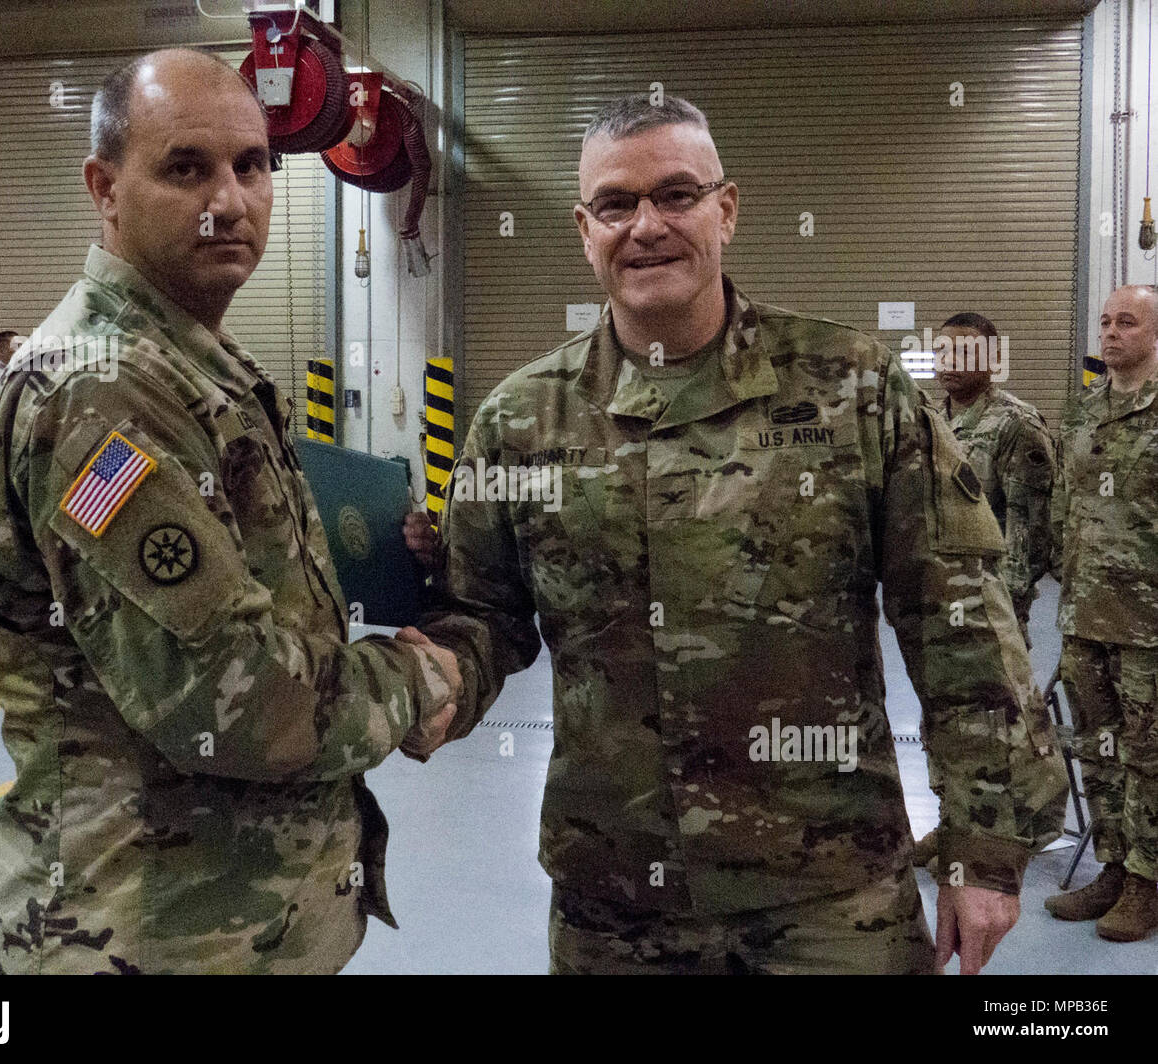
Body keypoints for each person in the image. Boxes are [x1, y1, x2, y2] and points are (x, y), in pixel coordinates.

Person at [407, 94, 1066, 974]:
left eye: (676, 194)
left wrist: (984, 847)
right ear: (583, 228)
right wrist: (433, 680)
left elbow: (955, 620)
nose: (646, 226)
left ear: (727, 209)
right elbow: (486, 617)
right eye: (616, 204)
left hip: (832, 897)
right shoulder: (519, 420)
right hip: (615, 905)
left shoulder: (852, 389)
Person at [0, 48, 460, 975]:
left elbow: (254, 586)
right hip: (139, 937)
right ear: (104, 188)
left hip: (233, 926)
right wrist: (417, 681)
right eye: (185, 168)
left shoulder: (193, 365)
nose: (229, 199)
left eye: (253, 166)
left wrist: (387, 559)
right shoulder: (100, 391)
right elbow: (238, 699)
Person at [912, 312, 1055, 869]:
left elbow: (1031, 527)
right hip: (932, 597)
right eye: (943, 351)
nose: (951, 362)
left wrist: (1008, 606)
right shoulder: (925, 419)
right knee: (939, 715)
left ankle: (999, 833)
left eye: (966, 352)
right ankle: (952, 819)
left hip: (991, 603)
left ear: (992, 360)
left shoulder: (1017, 425)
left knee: (995, 721)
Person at [1044, 284, 1158, 942]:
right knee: (1099, 748)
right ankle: (1114, 866)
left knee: (1149, 756)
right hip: (1085, 615)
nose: (1111, 333)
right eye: (1106, 322)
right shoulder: (1081, 410)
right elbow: (1066, 507)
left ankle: (1147, 880)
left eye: (1127, 323)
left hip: (1147, 624)